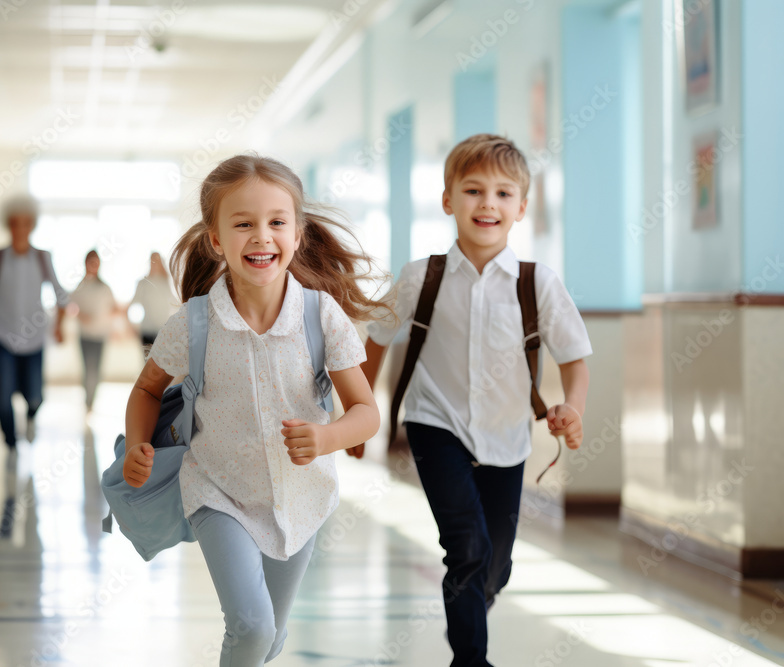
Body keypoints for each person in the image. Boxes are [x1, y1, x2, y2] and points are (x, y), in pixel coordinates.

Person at [122, 155, 383, 666]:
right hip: (216, 492)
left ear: (298, 233)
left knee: (270, 634)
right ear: (216, 239)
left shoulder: (320, 316)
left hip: (301, 498)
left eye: (276, 222)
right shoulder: (195, 322)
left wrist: (328, 438)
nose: (261, 236)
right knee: (252, 625)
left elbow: (365, 410)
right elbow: (147, 390)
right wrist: (137, 444)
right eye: (243, 224)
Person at [361, 134, 592, 667]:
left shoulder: (538, 283)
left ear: (521, 207)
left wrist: (572, 409)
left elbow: (575, 358)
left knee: (494, 564)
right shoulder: (422, 277)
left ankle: (471, 598)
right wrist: (362, 418)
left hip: (507, 436)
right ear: (448, 201)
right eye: (472, 190)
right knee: (465, 545)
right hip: (433, 424)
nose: (488, 203)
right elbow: (376, 340)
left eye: (503, 193)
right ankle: (471, 659)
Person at [0, 194, 68, 456]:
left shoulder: (42, 258)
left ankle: (30, 417)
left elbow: (61, 296)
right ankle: (10, 444)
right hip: (1, 335)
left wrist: (59, 326)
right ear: (9, 225)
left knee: (35, 397)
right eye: (15, 223)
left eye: (25, 223)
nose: (20, 228)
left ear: (32, 225)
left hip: (34, 337)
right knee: (3, 398)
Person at [69, 250, 119, 409]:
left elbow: (114, 308)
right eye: (91, 262)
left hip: (100, 335)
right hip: (85, 335)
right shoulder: (80, 286)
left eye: (96, 262)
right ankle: (87, 400)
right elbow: (70, 306)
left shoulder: (105, 288)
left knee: (96, 370)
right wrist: (81, 315)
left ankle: (92, 401)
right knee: (87, 369)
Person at [128, 252, 177, 352]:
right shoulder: (143, 283)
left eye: (157, 260)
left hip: (163, 330)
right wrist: (132, 326)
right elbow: (132, 304)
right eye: (152, 261)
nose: (154, 264)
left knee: (161, 364)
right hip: (146, 330)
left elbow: (175, 303)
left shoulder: (166, 283)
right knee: (147, 363)